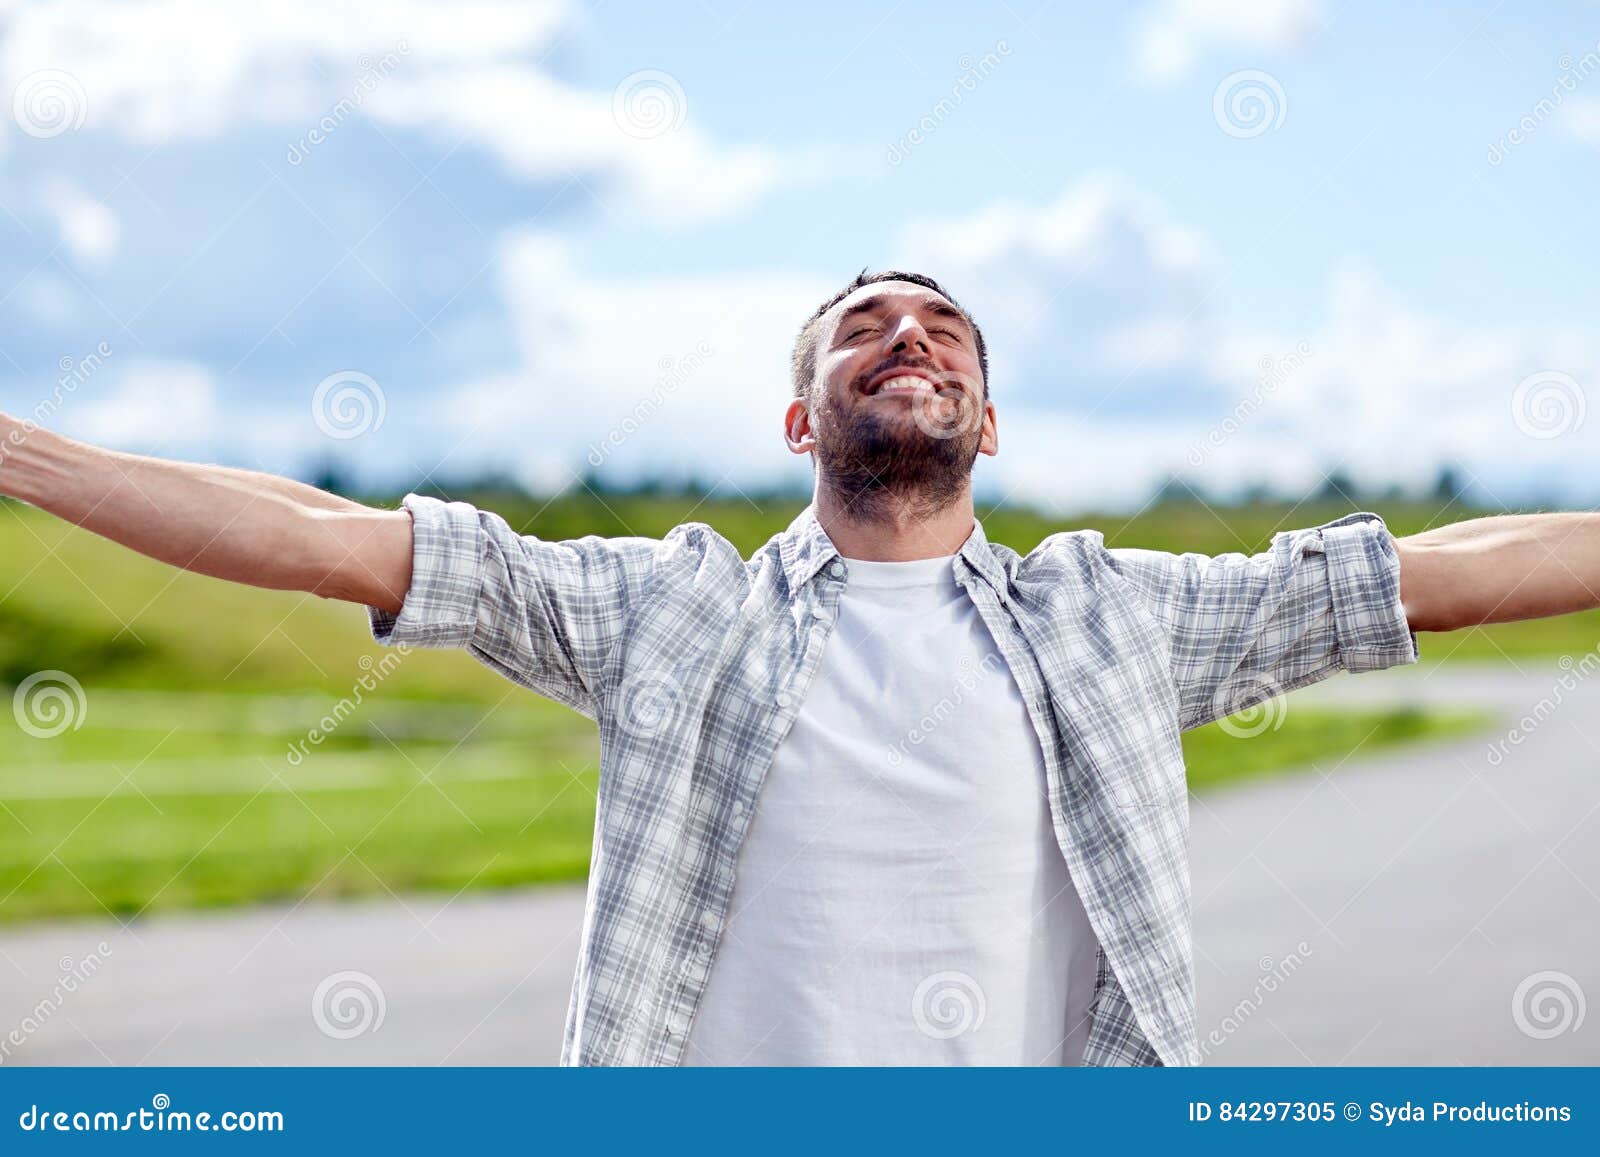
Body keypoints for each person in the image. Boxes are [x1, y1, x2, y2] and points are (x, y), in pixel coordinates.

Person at [1, 268, 1593, 1066]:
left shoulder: (1115, 616)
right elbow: (327, 536)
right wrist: (32, 463)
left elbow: (1432, 578)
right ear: (798, 420)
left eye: (946, 332)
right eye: (866, 329)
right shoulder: (666, 611)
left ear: (989, 419)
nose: (912, 337)